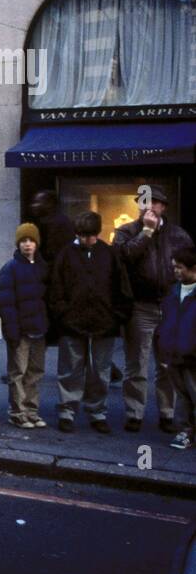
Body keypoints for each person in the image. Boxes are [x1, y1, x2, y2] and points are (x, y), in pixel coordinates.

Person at [112, 186, 193, 434]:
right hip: (140, 305)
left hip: (170, 306)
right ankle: (134, 413)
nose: (149, 207)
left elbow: (190, 265)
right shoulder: (126, 232)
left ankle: (167, 413)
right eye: (144, 202)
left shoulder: (177, 234)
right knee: (136, 363)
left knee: (167, 363)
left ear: (163, 207)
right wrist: (146, 232)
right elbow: (123, 258)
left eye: (154, 203)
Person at [48, 211, 133, 433]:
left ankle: (97, 411)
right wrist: (63, 314)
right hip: (74, 321)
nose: (88, 240)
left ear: (98, 233)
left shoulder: (108, 254)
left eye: (91, 236)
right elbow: (56, 288)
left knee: (101, 371)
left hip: (102, 321)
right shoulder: (66, 255)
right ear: (78, 234)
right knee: (70, 369)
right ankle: (68, 410)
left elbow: (120, 287)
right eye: (84, 236)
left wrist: (117, 315)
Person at [0, 223, 51, 429]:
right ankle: (17, 412)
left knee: (35, 372)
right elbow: (6, 303)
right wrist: (12, 331)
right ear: (18, 244)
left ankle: (31, 410)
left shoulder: (41, 267)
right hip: (20, 331)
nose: (28, 245)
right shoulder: (10, 268)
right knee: (18, 372)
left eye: (31, 241)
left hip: (38, 328)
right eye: (23, 241)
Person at [157, 247, 196, 450]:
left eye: (180, 268)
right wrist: (164, 352)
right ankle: (186, 430)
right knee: (182, 396)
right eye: (174, 268)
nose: (176, 272)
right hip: (174, 352)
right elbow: (166, 322)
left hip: (192, 355)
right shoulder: (173, 291)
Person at [30, 190, 75, 266]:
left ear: (49, 204)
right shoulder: (44, 223)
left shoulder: (60, 224)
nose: (34, 205)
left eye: (38, 202)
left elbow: (57, 253)